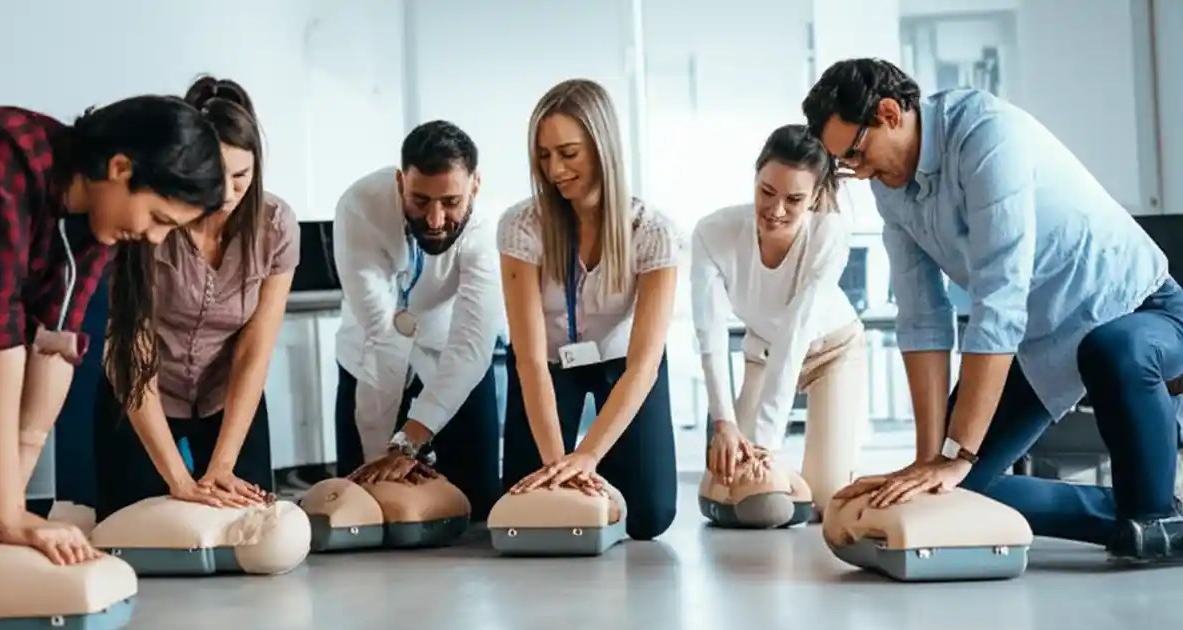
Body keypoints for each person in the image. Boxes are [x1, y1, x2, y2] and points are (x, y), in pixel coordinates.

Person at [805, 58, 1183, 561]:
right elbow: (922, 320)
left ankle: (1153, 517)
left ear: (891, 114)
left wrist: (958, 452)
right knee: (952, 495)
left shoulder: (986, 134)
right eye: (845, 165)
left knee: (1110, 349)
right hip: (1039, 339)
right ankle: (1145, 520)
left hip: (1141, 313)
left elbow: (1000, 297)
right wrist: (930, 461)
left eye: (857, 153)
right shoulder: (889, 189)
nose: (859, 171)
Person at [0, 95, 226, 572]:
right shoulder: (0, 156)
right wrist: (10, 513)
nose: (156, 238)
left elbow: (57, 345)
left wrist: (1, 509)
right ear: (120, 167)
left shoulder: (96, 225)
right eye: (158, 218)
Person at [92, 77, 297, 520]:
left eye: (242, 177)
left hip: (226, 399)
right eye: (215, 179)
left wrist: (221, 464)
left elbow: (254, 349)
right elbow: (134, 350)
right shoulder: (148, 223)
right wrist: (179, 480)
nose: (227, 195)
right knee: (137, 526)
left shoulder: (276, 226)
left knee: (248, 520)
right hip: (143, 394)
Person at [498, 78, 683, 541]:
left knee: (650, 515)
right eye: (543, 156)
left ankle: (600, 473)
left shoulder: (654, 232)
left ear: (602, 148)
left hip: (623, 365)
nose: (555, 169)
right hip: (551, 365)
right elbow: (529, 358)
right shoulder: (522, 226)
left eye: (568, 152)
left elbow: (643, 365)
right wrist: (559, 469)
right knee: (526, 500)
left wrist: (586, 457)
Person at [333, 120, 504, 522]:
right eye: (420, 200)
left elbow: (472, 344)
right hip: (369, 353)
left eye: (450, 201)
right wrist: (385, 453)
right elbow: (381, 328)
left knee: (478, 503)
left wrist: (411, 439)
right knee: (360, 505)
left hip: (451, 355)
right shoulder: (359, 205)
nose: (435, 219)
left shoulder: (488, 229)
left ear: (475, 185)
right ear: (400, 182)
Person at [691, 124, 867, 513]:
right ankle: (787, 483)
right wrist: (725, 422)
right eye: (766, 192)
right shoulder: (713, 233)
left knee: (824, 502)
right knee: (732, 491)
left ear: (817, 196)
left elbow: (796, 330)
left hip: (831, 353)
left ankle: (816, 478)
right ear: (755, 177)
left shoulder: (830, 233)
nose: (776, 210)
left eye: (794, 199)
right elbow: (711, 335)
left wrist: (766, 449)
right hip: (764, 354)